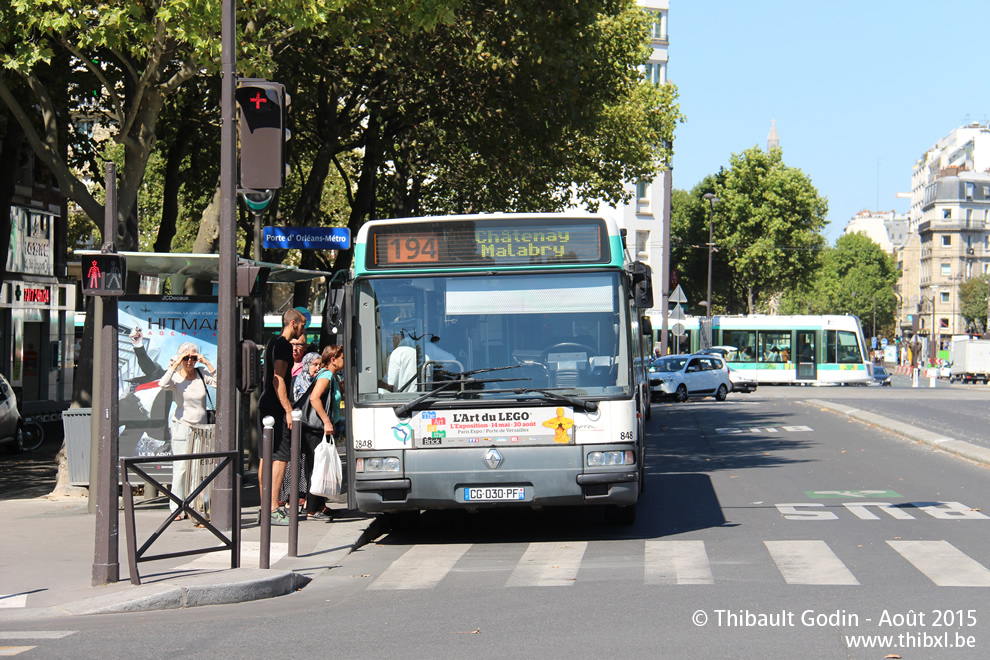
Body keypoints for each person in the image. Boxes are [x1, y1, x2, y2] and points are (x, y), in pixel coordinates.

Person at [258, 307, 308, 526]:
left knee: (265, 456)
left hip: (266, 402)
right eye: (303, 324)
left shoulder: (272, 342)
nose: (304, 329)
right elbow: (278, 378)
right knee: (280, 456)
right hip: (276, 405)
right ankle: (272, 508)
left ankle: (265, 507)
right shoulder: (284, 346)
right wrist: (288, 409)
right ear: (293, 323)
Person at [157, 342, 217, 520]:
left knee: (195, 469)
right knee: (181, 467)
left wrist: (206, 363)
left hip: (201, 427)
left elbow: (221, 382)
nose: (189, 361)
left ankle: (191, 505)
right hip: (182, 426)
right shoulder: (176, 377)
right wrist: (176, 364)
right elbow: (162, 384)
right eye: (186, 358)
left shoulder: (201, 373)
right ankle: (176, 506)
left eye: (193, 357)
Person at [306, 345, 345, 520]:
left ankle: (320, 505)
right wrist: (326, 421)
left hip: (321, 428)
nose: (344, 361)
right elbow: (314, 398)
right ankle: (312, 510)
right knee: (318, 466)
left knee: (321, 464)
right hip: (316, 428)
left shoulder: (333, 376)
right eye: (342, 358)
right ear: (333, 360)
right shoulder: (327, 375)